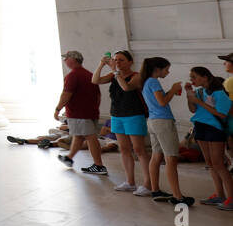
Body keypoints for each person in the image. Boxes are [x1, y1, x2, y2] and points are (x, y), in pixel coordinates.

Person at [92, 50, 151, 195]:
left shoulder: (137, 76)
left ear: (130, 62)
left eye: (121, 60)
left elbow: (126, 87)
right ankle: (130, 182)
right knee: (124, 149)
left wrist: (115, 71)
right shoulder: (113, 76)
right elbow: (95, 80)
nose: (118, 62)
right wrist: (101, 64)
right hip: (117, 115)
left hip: (134, 115)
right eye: (115, 60)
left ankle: (148, 183)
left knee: (139, 149)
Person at [140, 56, 192, 205]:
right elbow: (162, 102)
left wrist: (170, 91)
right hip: (162, 122)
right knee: (171, 158)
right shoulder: (154, 82)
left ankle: (155, 190)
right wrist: (173, 89)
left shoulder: (147, 82)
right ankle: (178, 196)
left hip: (153, 121)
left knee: (156, 156)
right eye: (166, 69)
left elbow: (158, 101)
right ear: (158, 69)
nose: (168, 72)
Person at [185, 67, 233, 209]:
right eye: (191, 77)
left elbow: (222, 114)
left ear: (205, 77)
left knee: (218, 163)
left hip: (215, 128)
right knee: (210, 163)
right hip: (200, 126)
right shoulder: (200, 92)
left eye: (194, 77)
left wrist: (199, 102)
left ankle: (231, 197)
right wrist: (189, 96)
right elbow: (193, 110)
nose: (191, 80)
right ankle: (219, 194)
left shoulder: (220, 93)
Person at [54, 50, 106, 176]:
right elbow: (98, 95)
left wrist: (58, 109)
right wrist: (95, 108)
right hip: (90, 112)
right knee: (78, 136)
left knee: (90, 137)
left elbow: (66, 94)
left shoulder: (72, 75)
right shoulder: (89, 74)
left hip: (78, 113)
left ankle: (99, 165)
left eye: (66, 58)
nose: (65, 61)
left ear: (72, 60)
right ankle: (70, 158)